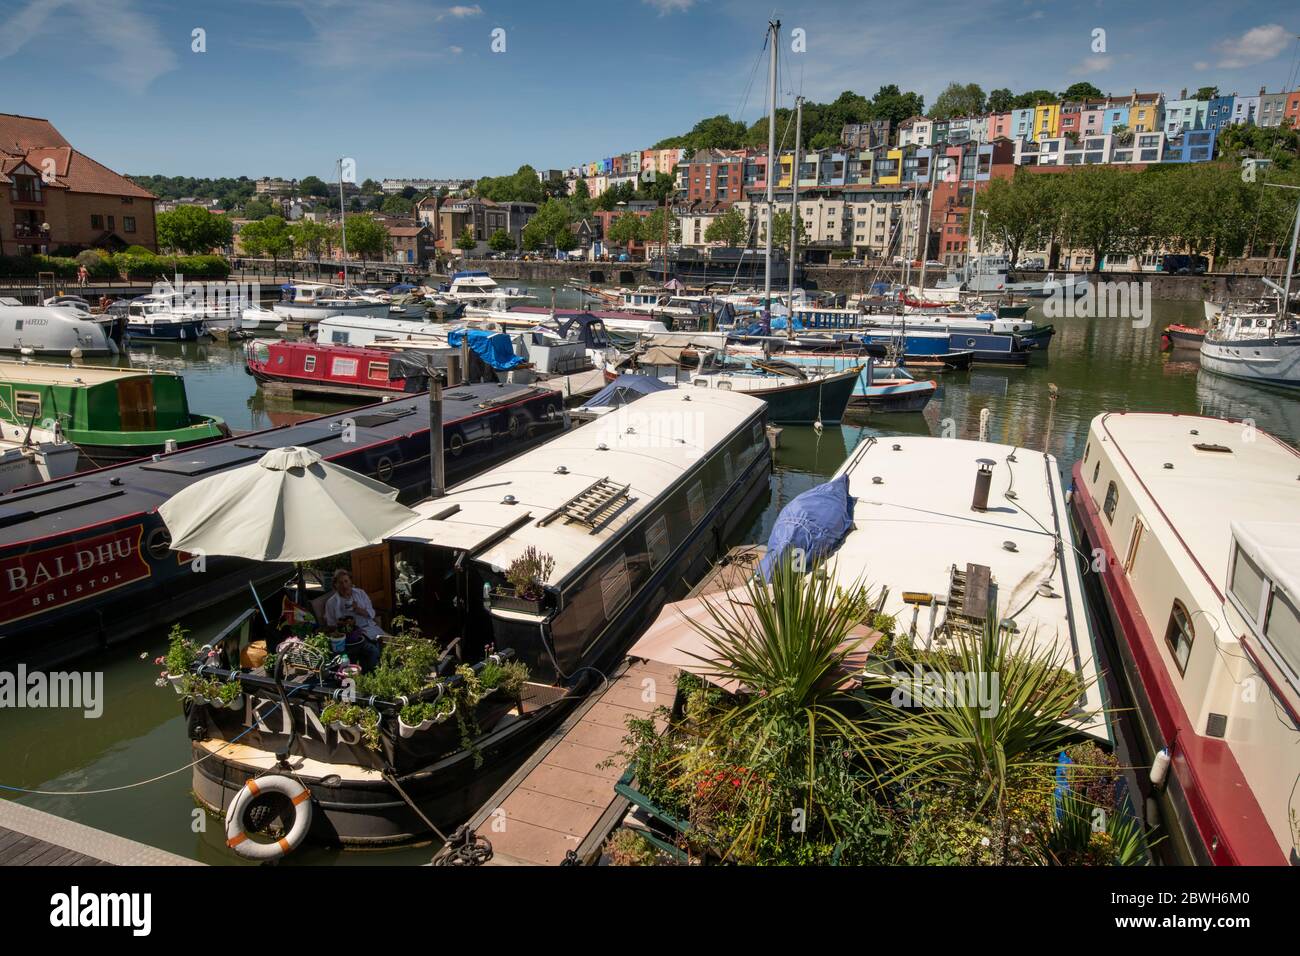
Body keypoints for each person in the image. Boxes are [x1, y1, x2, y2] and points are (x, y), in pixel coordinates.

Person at [324, 569, 383, 639]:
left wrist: (357, 609)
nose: (344, 585)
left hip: (369, 628)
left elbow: (372, 613)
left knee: (388, 643)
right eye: (340, 583)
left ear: (350, 581)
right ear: (335, 585)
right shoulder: (331, 602)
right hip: (348, 635)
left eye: (346, 581)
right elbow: (331, 624)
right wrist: (342, 624)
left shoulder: (360, 593)